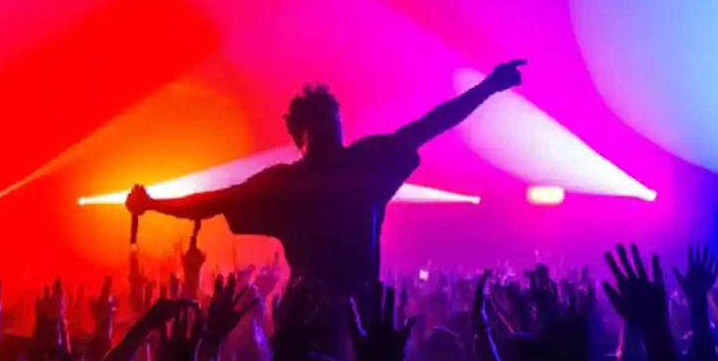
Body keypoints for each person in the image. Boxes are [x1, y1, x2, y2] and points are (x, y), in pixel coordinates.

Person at [124, 60, 525, 302]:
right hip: (333, 314)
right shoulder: (335, 170)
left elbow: (432, 123)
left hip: (331, 316)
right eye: (324, 125)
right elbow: (213, 200)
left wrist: (489, 87)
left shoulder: (316, 174)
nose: (330, 131)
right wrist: (156, 204)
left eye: (331, 123)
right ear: (303, 136)